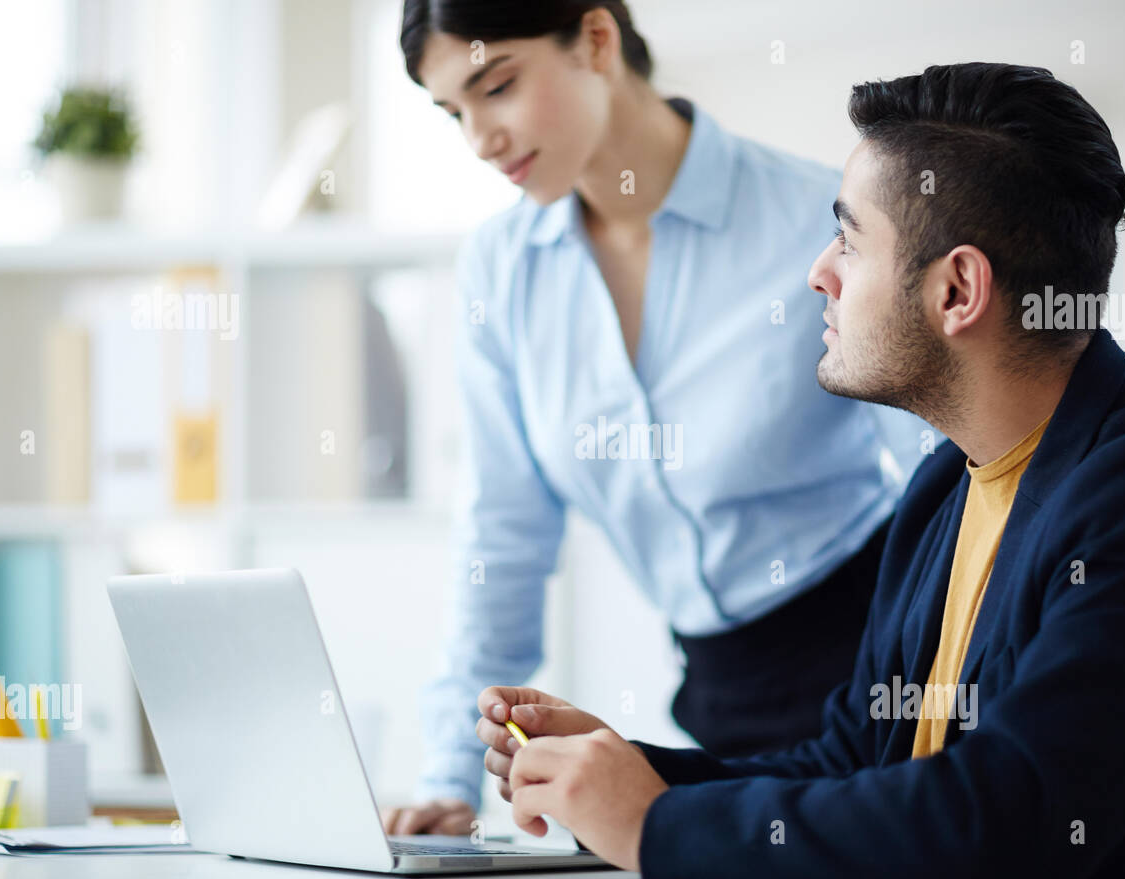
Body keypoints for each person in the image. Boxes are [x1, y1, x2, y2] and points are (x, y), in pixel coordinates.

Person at [471, 62, 1125, 879]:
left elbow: (1009, 816)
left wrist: (653, 825)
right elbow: (857, 759)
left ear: (957, 289)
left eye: (850, 240)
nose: (819, 271)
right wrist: (619, 775)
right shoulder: (944, 487)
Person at [381, 1, 930, 836]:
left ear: (597, 40)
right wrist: (449, 775)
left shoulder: (815, 220)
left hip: (878, 671)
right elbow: (503, 536)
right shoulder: (502, 271)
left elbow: (946, 474)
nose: (480, 139)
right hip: (714, 705)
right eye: (454, 111)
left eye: (496, 87)